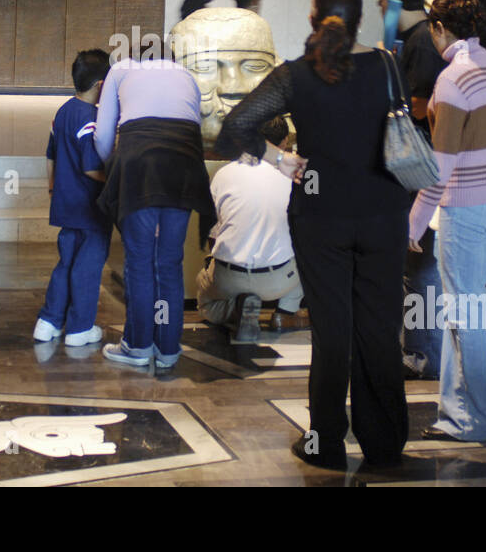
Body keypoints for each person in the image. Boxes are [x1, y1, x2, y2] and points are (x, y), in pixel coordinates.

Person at [218, 0, 410, 472]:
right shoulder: (388, 66)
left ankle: (325, 442)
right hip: (384, 212)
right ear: (360, 20)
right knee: (380, 330)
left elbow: (234, 127)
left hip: (321, 215)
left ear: (312, 18)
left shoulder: (294, 76)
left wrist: (281, 159)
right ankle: (385, 443)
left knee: (332, 333)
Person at [407, 0, 486, 442]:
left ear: (438, 28)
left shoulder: (453, 79)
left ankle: (470, 419)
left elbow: (441, 164)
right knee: (465, 309)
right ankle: (458, 413)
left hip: (464, 206)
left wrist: (412, 223)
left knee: (462, 313)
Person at [94, 47, 214, 369]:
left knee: (140, 261)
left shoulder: (122, 70)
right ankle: (168, 349)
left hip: (138, 166)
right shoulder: (187, 76)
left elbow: (103, 136)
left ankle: (138, 346)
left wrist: (113, 171)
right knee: (169, 263)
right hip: (184, 168)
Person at [364, 0, 447, 381]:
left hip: (422, 171)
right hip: (422, 169)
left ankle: (423, 353)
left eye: (382, 0)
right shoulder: (416, 39)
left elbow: (419, 105)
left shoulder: (420, 41)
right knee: (416, 265)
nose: (379, 7)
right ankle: (420, 348)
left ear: (394, 1)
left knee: (421, 265)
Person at [196, 116, 304, 344]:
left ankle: (237, 310)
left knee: (205, 303)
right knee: (306, 258)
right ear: (284, 143)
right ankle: (285, 315)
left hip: (229, 277)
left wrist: (214, 264)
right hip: (279, 280)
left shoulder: (223, 174)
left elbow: (213, 234)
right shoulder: (295, 178)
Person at [33, 49, 113, 348]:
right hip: (90, 208)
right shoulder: (91, 119)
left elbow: (50, 155)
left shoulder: (63, 112)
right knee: (88, 266)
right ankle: (80, 327)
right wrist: (116, 182)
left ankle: (49, 321)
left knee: (66, 262)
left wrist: (53, 189)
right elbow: (91, 168)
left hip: (65, 203)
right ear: (102, 85)